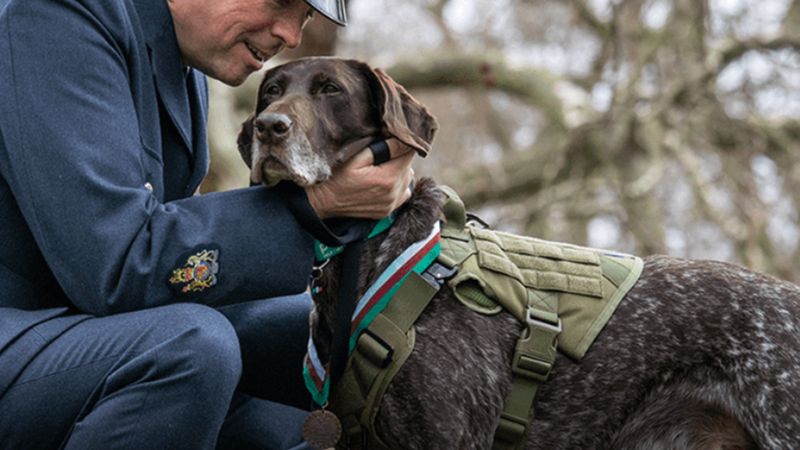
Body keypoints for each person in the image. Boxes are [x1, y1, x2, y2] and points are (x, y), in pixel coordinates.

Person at [0, 0, 415, 448]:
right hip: (23, 329)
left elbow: (169, 263)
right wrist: (316, 206)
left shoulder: (185, 60)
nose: (291, 35)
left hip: (90, 338)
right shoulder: (53, 16)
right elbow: (115, 268)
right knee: (193, 349)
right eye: (280, 3)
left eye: (307, 17)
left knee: (345, 335)